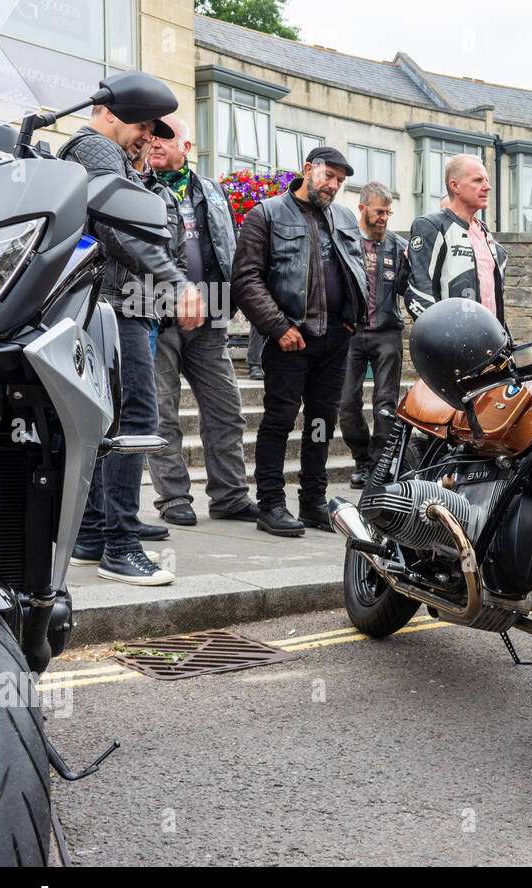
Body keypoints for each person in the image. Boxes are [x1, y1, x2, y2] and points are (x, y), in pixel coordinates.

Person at [58, 105, 204, 585]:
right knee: (135, 420)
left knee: (107, 422)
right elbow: (121, 227)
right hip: (114, 306)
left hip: (118, 304)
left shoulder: (110, 155)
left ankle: (94, 535)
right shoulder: (96, 146)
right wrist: (177, 282)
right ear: (107, 112)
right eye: (142, 126)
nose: (146, 137)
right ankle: (119, 548)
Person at [232, 147, 367, 536]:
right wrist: (278, 327)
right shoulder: (267, 214)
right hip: (288, 341)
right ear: (308, 170)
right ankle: (271, 504)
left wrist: (351, 322)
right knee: (278, 421)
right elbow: (245, 279)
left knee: (322, 422)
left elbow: (356, 270)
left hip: (334, 343)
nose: (334, 185)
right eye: (328, 176)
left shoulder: (343, 217)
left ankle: (313, 501)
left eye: (340, 181)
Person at [147, 114, 259, 527]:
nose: (156, 142)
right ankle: (173, 499)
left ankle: (229, 497)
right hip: (155, 314)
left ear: (187, 148)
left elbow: (228, 247)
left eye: (166, 136)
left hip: (210, 317)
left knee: (226, 411)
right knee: (163, 414)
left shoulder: (210, 190)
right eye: (152, 136)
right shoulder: (137, 186)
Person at [342, 182, 410, 489]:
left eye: (388, 212)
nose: (384, 218)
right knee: (346, 401)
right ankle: (362, 459)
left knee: (385, 402)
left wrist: (411, 265)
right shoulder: (345, 241)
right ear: (362, 208)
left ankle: (379, 465)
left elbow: (406, 288)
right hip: (350, 333)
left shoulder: (396, 245)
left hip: (387, 332)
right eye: (379, 211)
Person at [405, 155, 506, 323]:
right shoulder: (431, 225)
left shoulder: (484, 231)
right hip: (452, 342)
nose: (487, 187)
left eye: (487, 180)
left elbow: (494, 296)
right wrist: (446, 335)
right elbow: (419, 292)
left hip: (489, 341)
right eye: (477, 180)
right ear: (454, 186)